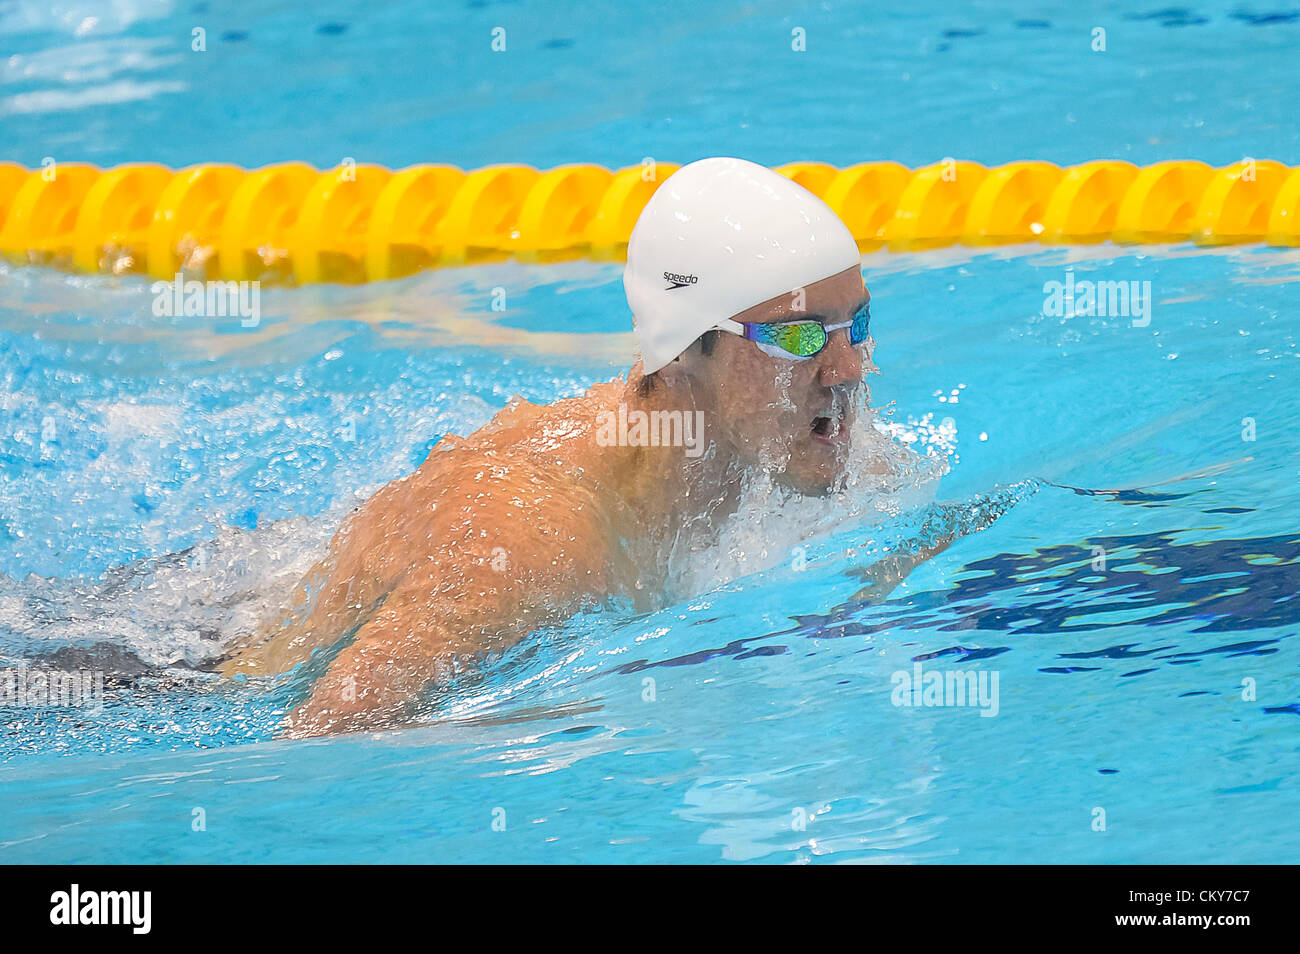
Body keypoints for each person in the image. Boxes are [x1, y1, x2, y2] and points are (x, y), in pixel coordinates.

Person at [221, 157, 895, 737]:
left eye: (853, 324)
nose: (847, 372)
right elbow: (323, 736)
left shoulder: (833, 455)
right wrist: (561, 722)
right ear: (685, 346)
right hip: (191, 661)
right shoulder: (527, 544)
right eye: (798, 337)